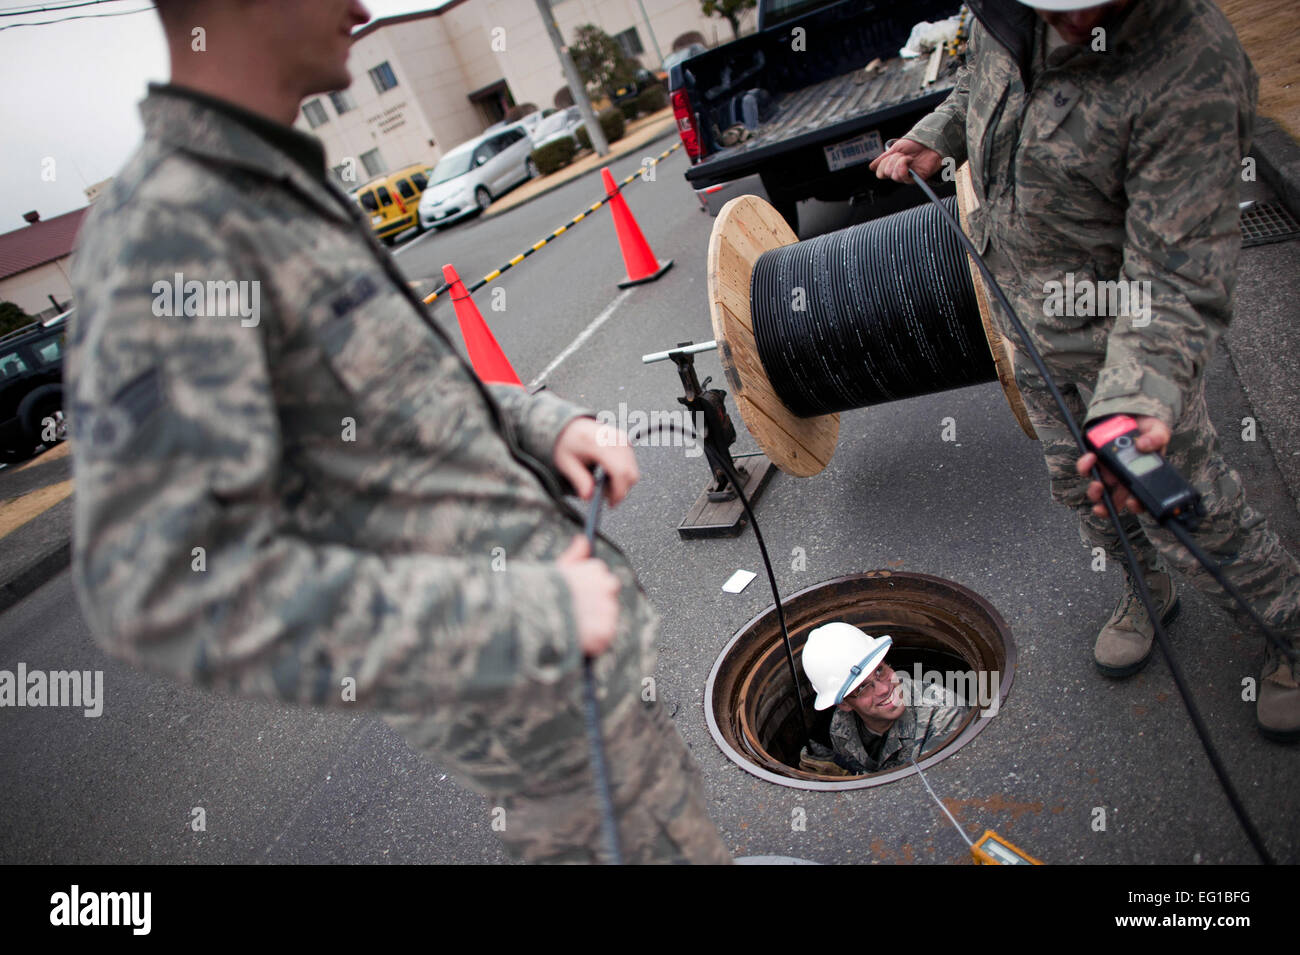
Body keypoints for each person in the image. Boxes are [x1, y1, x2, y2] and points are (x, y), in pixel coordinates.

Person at [66, 0, 731, 864]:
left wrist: (543, 421)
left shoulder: (277, 181)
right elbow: (155, 583)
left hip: (588, 675)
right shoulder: (167, 231)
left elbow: (398, 391)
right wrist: (517, 612)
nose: (362, 8)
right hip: (534, 719)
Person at [870, 0, 1300, 740]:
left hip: (1124, 345)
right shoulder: (1008, 14)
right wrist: (933, 137)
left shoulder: (1190, 65)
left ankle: (1288, 628)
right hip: (1026, 318)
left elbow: (1181, 272)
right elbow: (980, 84)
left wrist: (1136, 402)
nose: (1068, 24)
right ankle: (1146, 589)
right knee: (1077, 483)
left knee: (1187, 503)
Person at [800, 623, 971, 774]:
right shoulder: (841, 725)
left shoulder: (944, 714)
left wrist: (848, 779)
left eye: (879, 670)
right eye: (862, 688)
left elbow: (935, 790)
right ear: (844, 703)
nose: (883, 689)